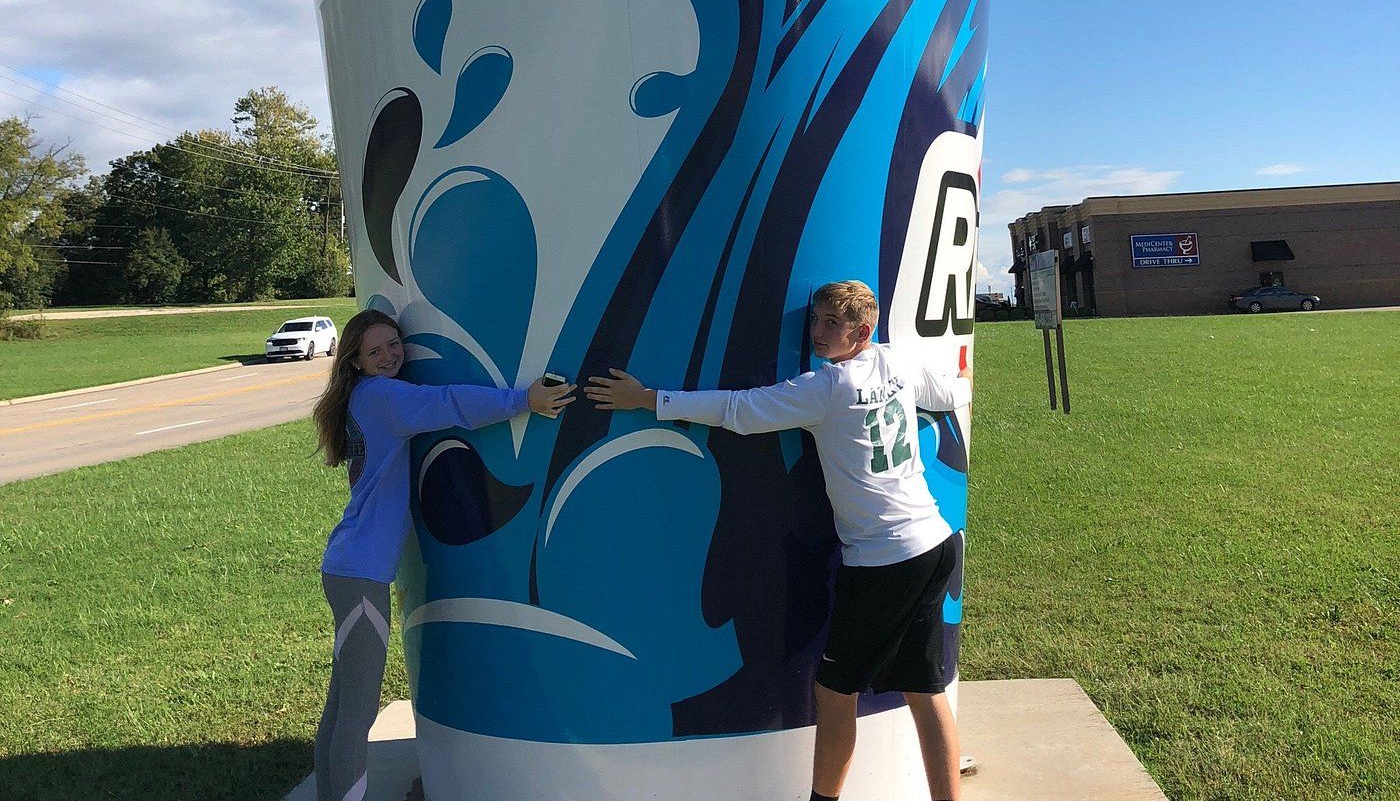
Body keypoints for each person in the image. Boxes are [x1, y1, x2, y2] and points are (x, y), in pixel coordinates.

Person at [587, 279, 972, 801]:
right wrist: (962, 372)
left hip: (885, 560)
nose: (817, 332)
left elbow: (738, 411)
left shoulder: (826, 388)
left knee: (834, 692)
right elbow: (952, 391)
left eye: (832, 324)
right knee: (924, 690)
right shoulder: (895, 363)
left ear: (863, 330)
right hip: (934, 544)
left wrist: (647, 399)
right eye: (815, 320)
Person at [310, 309, 574, 801]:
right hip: (360, 574)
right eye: (375, 351)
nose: (389, 355)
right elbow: (449, 403)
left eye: (394, 344)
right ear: (357, 363)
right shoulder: (384, 396)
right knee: (357, 711)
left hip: (348, 567)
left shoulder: (364, 397)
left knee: (341, 706)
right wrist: (525, 400)